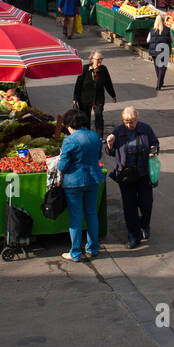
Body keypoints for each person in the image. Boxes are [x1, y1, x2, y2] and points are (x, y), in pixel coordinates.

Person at [106, 107, 160, 249]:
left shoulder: (145, 129)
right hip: (125, 176)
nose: (129, 125)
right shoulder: (118, 131)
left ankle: (145, 224)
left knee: (146, 203)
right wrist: (110, 144)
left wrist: (153, 151)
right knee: (130, 207)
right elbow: (110, 152)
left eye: (132, 122)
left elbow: (155, 143)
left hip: (143, 174)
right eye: (126, 122)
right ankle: (133, 236)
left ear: (137, 119)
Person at [56, 108, 105, 262]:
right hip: (92, 179)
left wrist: (60, 159)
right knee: (91, 215)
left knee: (76, 217)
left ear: (70, 125)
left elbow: (62, 166)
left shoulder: (70, 140)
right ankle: (93, 248)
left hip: (74, 183)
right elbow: (98, 156)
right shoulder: (94, 136)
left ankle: (75, 252)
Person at [73, 50, 117, 132]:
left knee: (99, 116)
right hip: (84, 99)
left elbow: (108, 83)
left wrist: (113, 95)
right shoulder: (85, 69)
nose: (100, 61)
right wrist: (75, 98)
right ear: (92, 59)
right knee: (85, 118)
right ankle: (86, 135)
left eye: (101, 59)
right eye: (98, 59)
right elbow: (78, 85)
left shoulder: (103, 69)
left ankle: (99, 137)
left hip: (98, 99)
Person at [148, 14, 172, 91]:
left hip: (154, 51)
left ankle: (160, 82)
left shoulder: (152, 30)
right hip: (164, 50)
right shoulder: (168, 30)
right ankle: (159, 83)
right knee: (162, 67)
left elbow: (148, 40)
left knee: (157, 67)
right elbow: (171, 39)